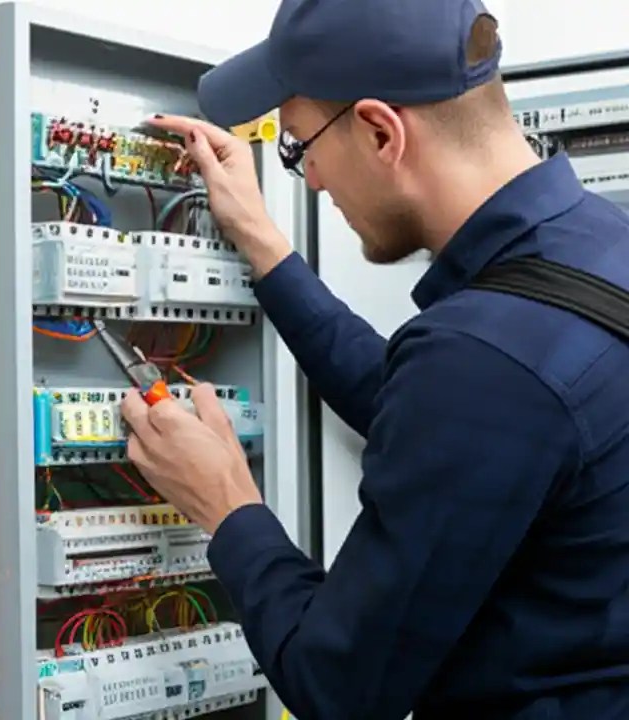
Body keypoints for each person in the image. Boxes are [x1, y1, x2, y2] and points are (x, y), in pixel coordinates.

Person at [124, 0, 629, 718]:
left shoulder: (481, 360)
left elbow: (338, 689)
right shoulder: (600, 247)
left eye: (299, 148)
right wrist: (267, 248)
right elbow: (436, 422)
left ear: (380, 131)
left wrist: (227, 505)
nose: (314, 182)